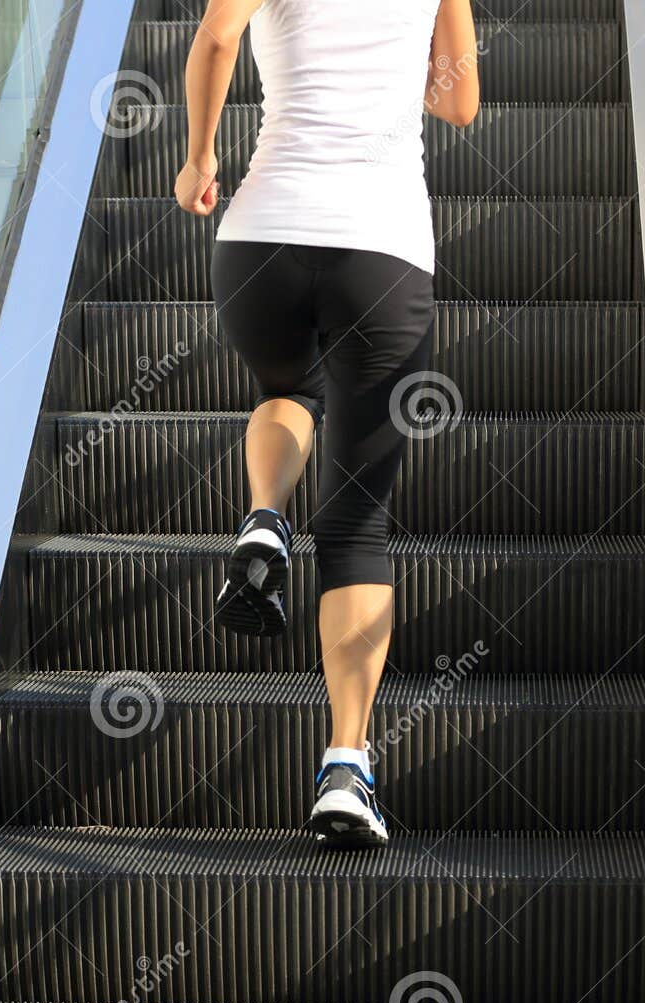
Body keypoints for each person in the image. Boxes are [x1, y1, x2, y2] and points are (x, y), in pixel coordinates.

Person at [174, 0, 479, 849]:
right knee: (356, 521)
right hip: (380, 248)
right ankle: (346, 766)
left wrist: (198, 159)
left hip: (262, 237)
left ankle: (264, 517)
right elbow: (457, 103)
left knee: (286, 387)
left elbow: (218, 34)